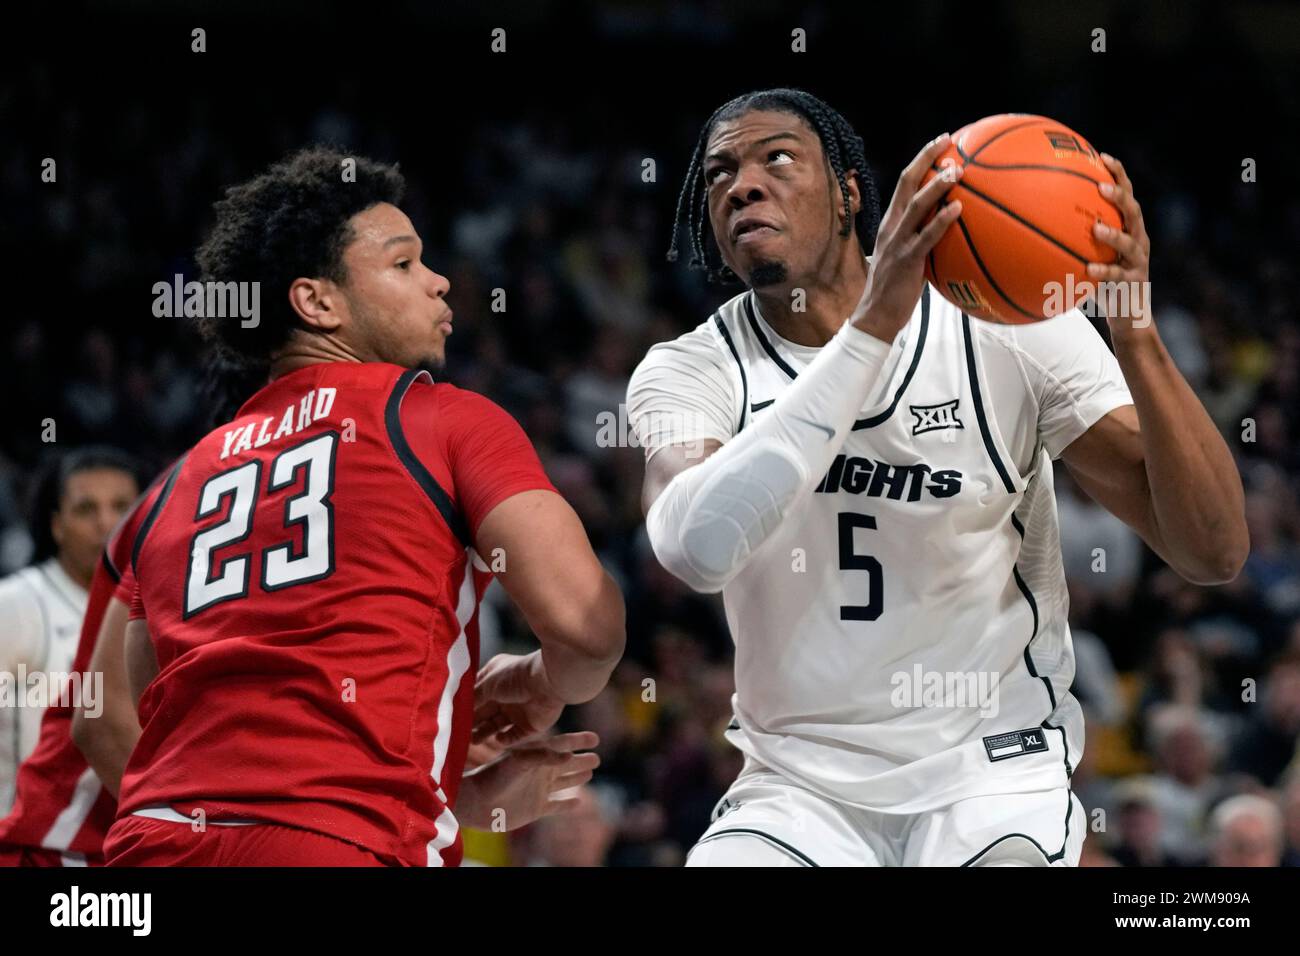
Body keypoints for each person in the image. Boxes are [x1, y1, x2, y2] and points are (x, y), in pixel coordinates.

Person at [627, 88, 1248, 866]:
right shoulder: (690, 370)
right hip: (798, 785)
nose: (742, 184)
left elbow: (1212, 552)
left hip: (990, 763)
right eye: (719, 174)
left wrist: (1137, 335)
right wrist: (870, 331)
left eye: (777, 158)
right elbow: (695, 550)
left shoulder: (1012, 332)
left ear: (852, 193)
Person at [85, 146, 625, 867]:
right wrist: (538, 683)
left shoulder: (167, 489)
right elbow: (586, 628)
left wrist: (451, 797)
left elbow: (139, 712)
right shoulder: (442, 420)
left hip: (147, 851)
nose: (439, 283)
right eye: (403, 264)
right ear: (318, 302)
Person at [0, 448, 138, 815]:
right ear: (57, 525)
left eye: (122, 507)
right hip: (32, 846)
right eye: (86, 509)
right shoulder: (16, 604)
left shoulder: (157, 611)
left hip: (118, 841)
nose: (107, 524)